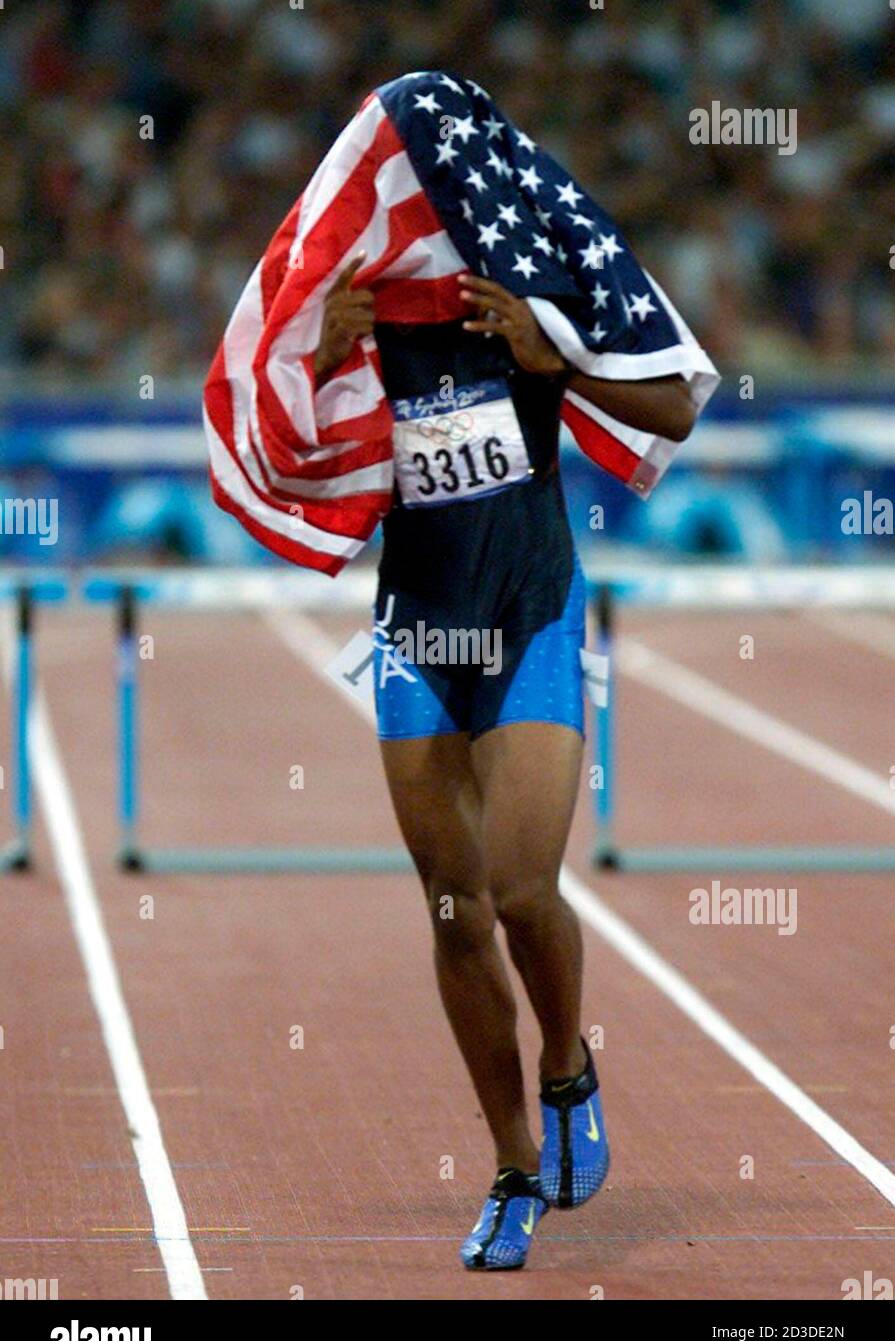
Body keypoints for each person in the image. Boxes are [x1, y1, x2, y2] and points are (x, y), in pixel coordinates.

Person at [205, 71, 718, 1270]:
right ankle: (509, 1171)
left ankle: (566, 1063)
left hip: (530, 608)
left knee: (520, 883)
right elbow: (296, 450)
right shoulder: (367, 312)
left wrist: (554, 360)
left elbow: (675, 409)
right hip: (421, 627)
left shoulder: (514, 298)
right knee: (451, 905)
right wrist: (328, 359)